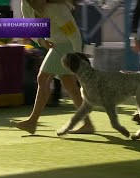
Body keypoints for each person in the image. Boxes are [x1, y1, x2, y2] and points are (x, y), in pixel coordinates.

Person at [11, 0, 95, 134]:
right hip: (56, 46)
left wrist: (77, 58)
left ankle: (32, 122)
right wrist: (40, 41)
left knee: (42, 78)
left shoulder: (56, 7)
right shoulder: (26, 4)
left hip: (66, 46)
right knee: (70, 86)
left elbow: (74, 35)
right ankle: (88, 124)